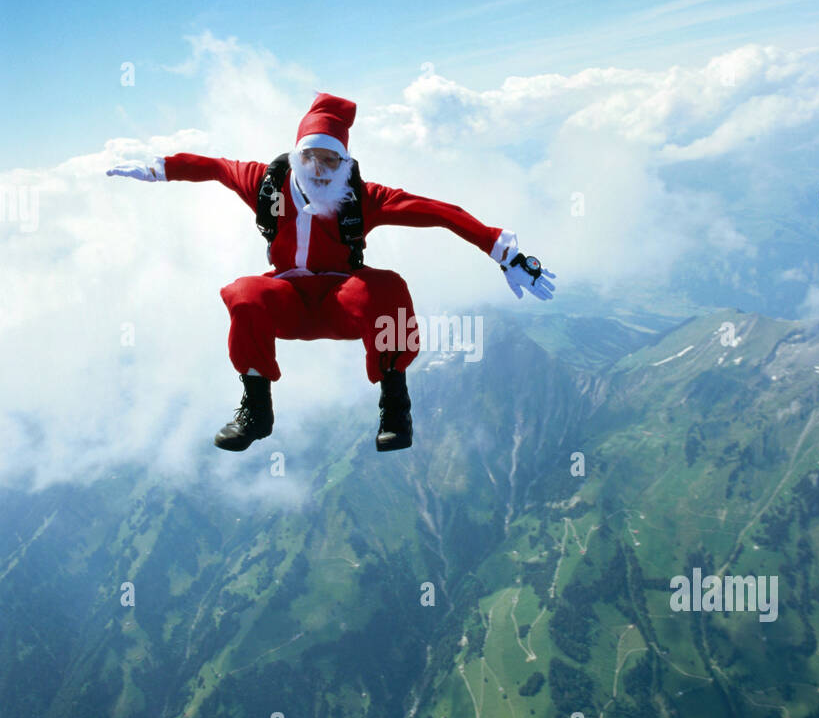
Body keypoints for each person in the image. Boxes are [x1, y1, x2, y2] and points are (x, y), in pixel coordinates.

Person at [107, 92, 554, 452]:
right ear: (296, 156)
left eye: (331, 160)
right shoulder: (267, 184)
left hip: (346, 305)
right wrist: (157, 169)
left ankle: (394, 402)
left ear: (346, 163)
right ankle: (256, 408)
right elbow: (214, 167)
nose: (320, 170)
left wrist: (501, 249)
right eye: (310, 158)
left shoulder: (362, 197)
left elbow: (438, 212)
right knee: (245, 293)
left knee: (388, 288)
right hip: (290, 305)